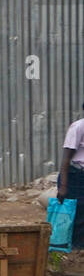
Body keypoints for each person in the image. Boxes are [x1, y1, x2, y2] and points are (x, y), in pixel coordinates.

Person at [59, 102, 84, 250]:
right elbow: (66, 158)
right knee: (77, 213)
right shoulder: (78, 127)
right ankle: (72, 249)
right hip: (75, 176)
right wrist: (63, 185)